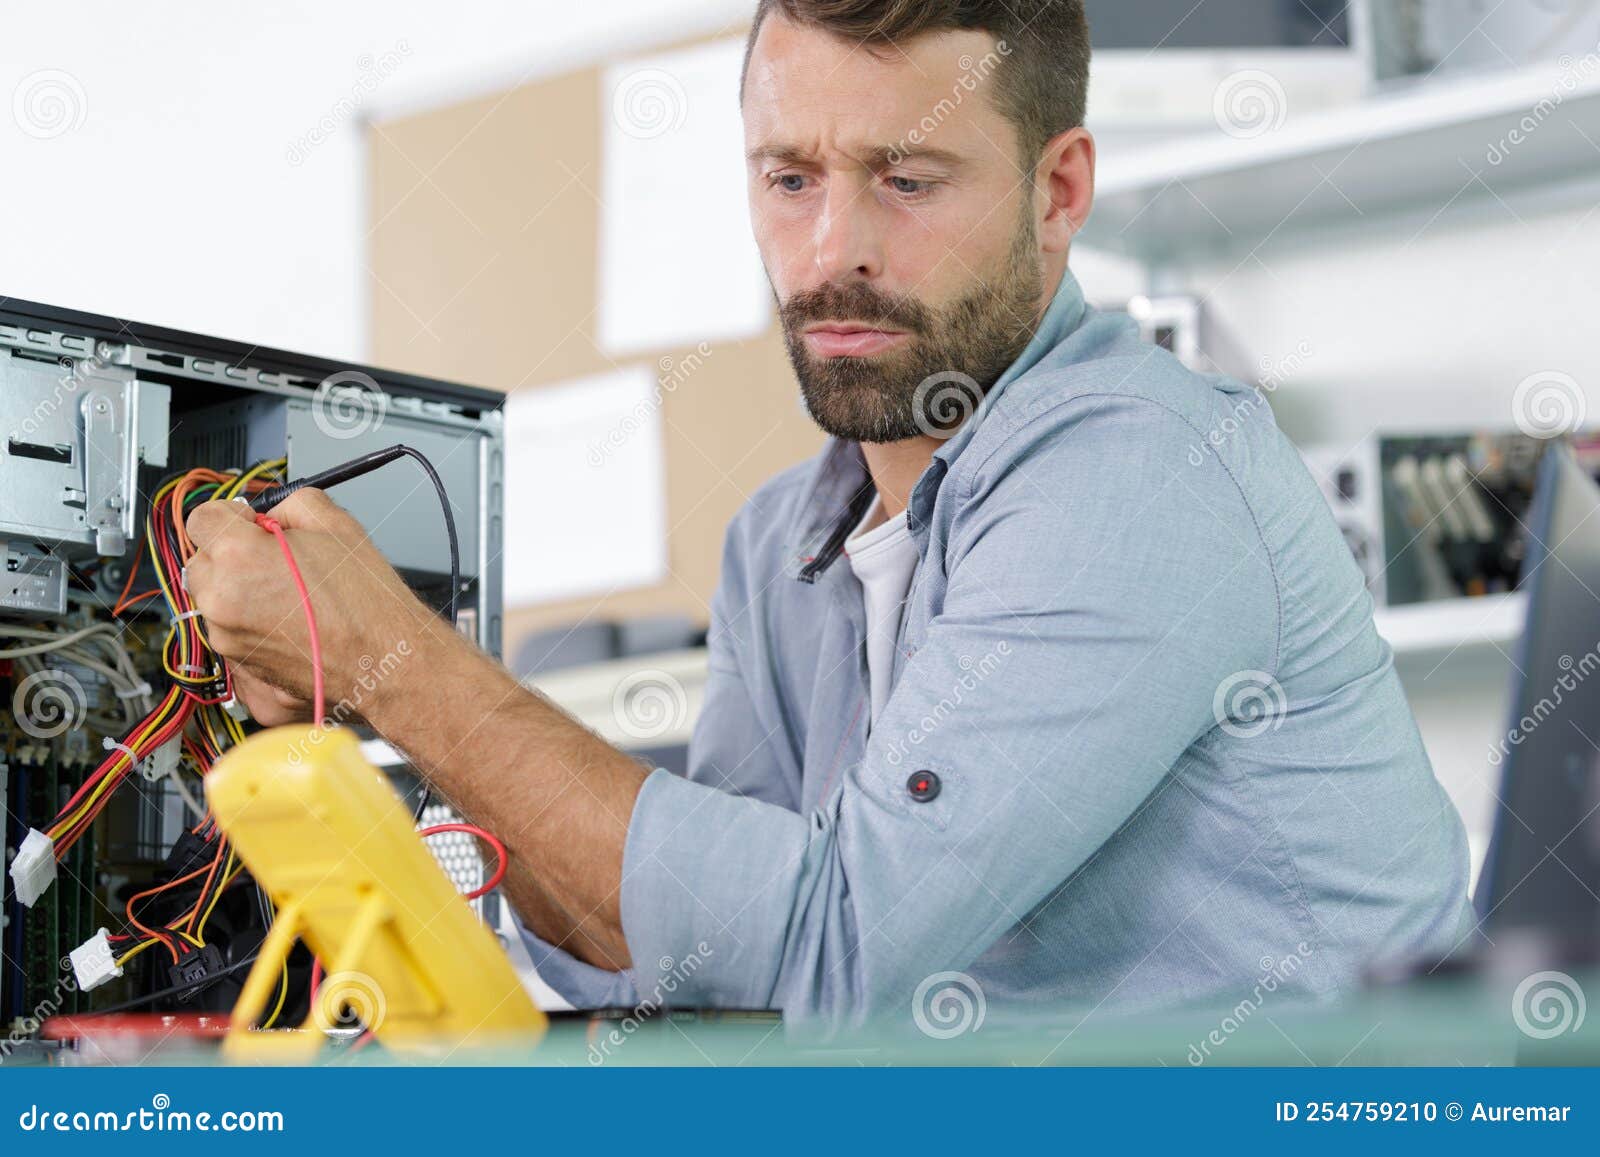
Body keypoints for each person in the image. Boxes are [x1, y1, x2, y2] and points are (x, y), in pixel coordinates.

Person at [185, 0, 1474, 1028]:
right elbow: (715, 973)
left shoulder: (1138, 473)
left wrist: (391, 663)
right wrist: (373, 728)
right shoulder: (781, 547)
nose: (829, 251)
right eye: (788, 178)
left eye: (907, 180)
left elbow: (833, 949)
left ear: (1059, 191)